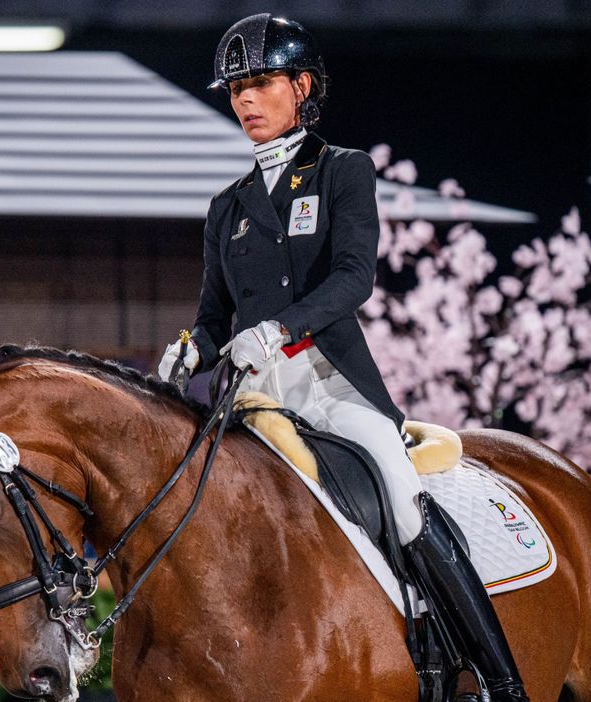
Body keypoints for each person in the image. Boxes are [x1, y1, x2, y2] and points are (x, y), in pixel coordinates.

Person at [156, 14, 529, 701]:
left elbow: (355, 277)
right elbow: (213, 319)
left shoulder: (342, 172)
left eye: (261, 83)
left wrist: (278, 329)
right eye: (237, 87)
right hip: (253, 396)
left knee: (400, 489)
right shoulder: (226, 207)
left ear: (302, 87)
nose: (245, 100)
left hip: (329, 383)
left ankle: (496, 678)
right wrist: (190, 351)